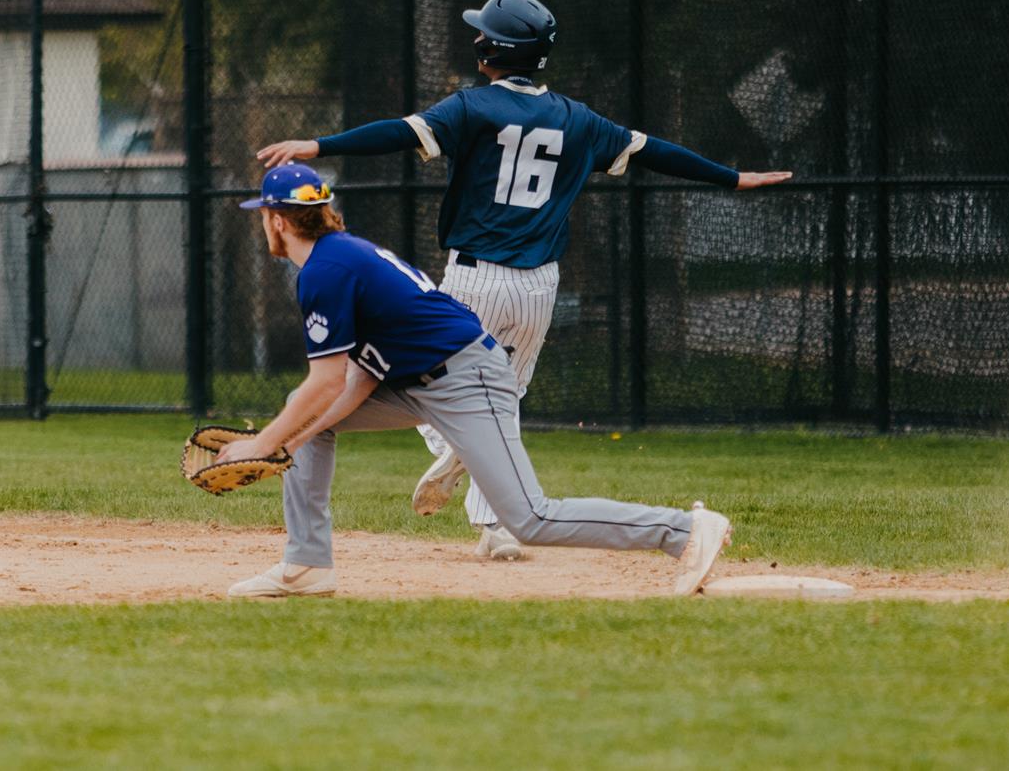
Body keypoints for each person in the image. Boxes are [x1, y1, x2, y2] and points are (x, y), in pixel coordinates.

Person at [257, 0, 789, 560]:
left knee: (437, 383)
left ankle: (459, 458)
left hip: (475, 278)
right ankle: (495, 526)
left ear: (489, 49)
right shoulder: (577, 118)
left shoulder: (473, 107)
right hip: (539, 286)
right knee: (502, 396)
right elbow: (655, 149)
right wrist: (731, 178)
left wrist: (318, 144)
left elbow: (398, 132)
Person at [216, 163, 732, 598]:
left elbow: (325, 382)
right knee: (307, 421)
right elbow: (359, 380)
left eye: (262, 215)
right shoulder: (341, 256)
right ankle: (307, 564)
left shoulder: (326, 271)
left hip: (468, 378)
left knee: (530, 518)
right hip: (420, 381)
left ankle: (685, 530)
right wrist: (290, 440)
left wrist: (260, 444)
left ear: (277, 219)